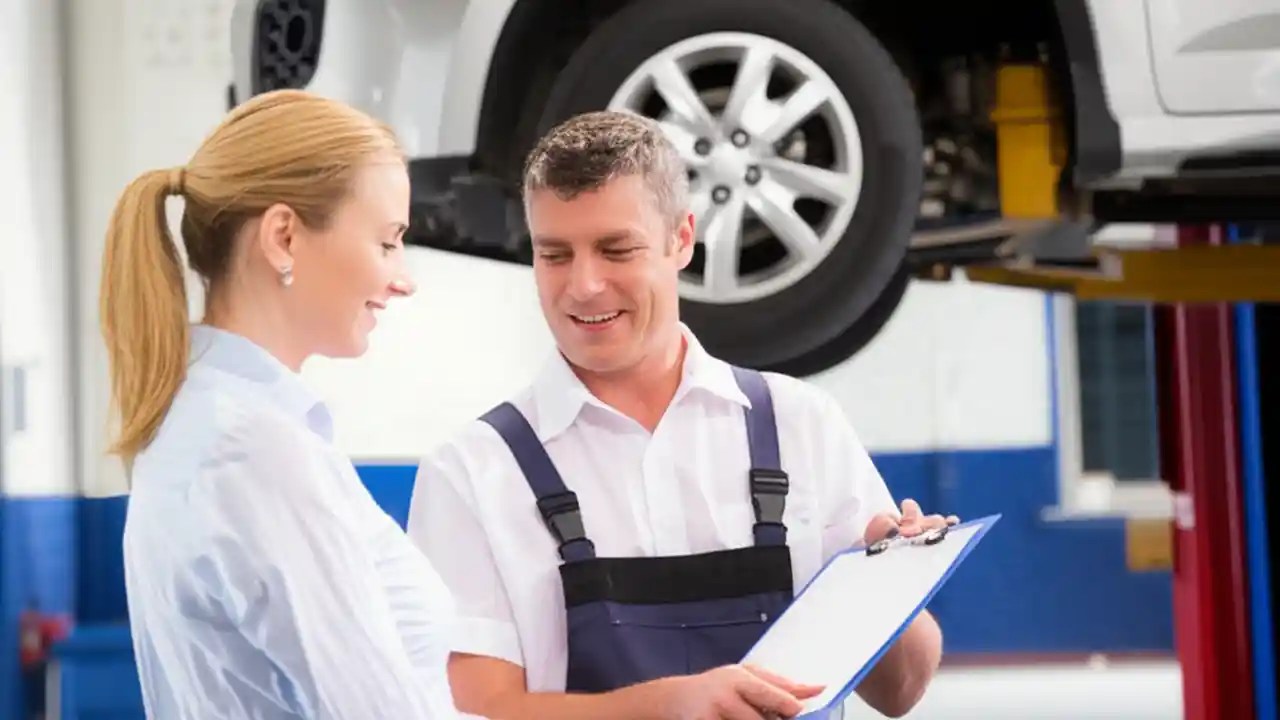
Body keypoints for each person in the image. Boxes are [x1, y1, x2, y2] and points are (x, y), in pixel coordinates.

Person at [407, 110, 958, 720]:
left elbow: (900, 692)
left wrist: (891, 582)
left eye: (616, 249)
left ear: (681, 239)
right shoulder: (474, 474)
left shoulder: (801, 427)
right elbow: (476, 711)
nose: (584, 285)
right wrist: (667, 706)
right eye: (555, 254)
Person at [100, 89, 483, 719]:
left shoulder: (207, 423)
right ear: (283, 237)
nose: (403, 276)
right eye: (387, 242)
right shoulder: (253, 450)